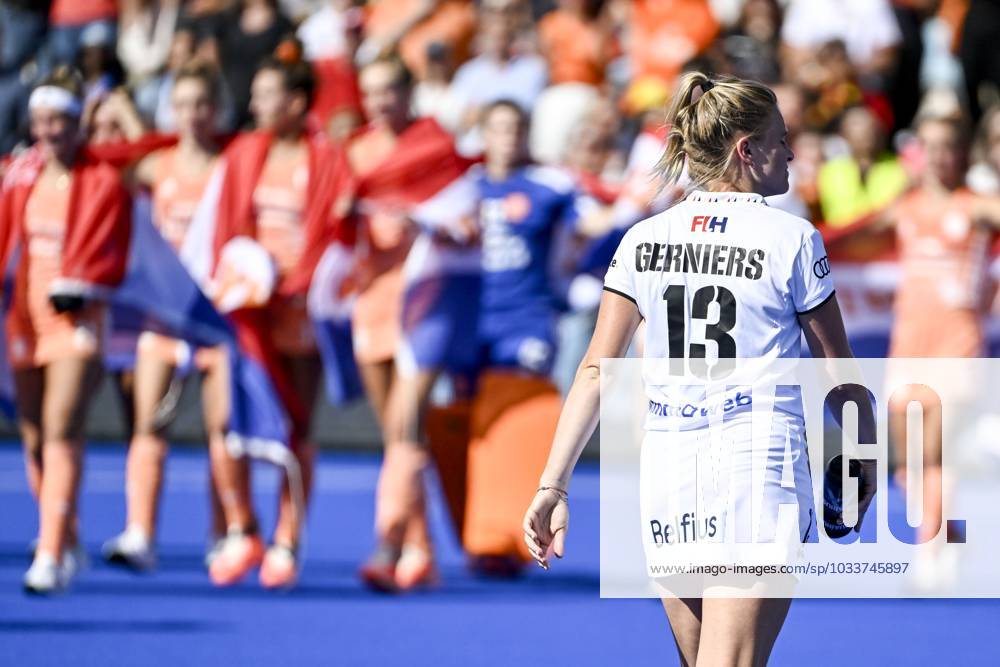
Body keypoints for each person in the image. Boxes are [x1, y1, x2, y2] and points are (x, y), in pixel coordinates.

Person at [523, 72, 875, 665]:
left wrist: (551, 484)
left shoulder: (643, 238)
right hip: (756, 464)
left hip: (668, 466)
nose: (790, 152)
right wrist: (863, 461)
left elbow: (594, 370)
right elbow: (838, 373)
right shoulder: (791, 237)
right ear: (747, 149)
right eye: (780, 138)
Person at [206, 50, 352, 590]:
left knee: (296, 427)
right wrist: (243, 281)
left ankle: (287, 538)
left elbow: (336, 236)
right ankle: (242, 528)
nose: (254, 104)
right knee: (225, 419)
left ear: (294, 102)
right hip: (248, 311)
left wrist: (295, 284)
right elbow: (223, 229)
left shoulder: (328, 157)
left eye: (265, 95)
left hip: (299, 312)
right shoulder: (244, 152)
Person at [2, 69, 131, 593]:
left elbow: (119, 253)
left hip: (78, 320)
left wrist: (87, 283)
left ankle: (50, 552)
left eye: (58, 120)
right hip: (24, 318)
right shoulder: (17, 175)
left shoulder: (103, 180)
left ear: (78, 123)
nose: (49, 131)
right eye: (40, 120)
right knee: (34, 436)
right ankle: (67, 532)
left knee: (61, 426)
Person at [100, 63, 228, 572]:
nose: (192, 116)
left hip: (213, 316)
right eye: (183, 105)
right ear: (171, 110)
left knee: (223, 430)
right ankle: (140, 533)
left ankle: (225, 532)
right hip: (163, 317)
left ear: (215, 110)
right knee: (149, 424)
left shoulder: (230, 165)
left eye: (201, 104)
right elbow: (108, 167)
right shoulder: (157, 165)